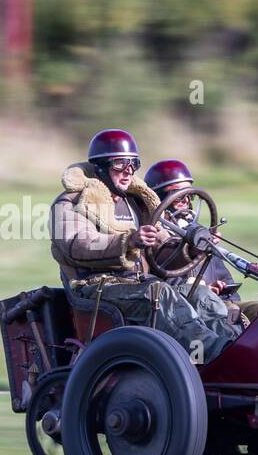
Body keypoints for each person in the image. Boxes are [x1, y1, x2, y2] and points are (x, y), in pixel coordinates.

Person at [49, 129, 237, 361]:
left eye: (134, 164)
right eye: (120, 164)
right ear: (100, 166)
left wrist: (193, 248)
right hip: (95, 288)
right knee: (160, 294)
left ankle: (236, 344)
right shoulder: (71, 202)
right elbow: (77, 245)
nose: (128, 171)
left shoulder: (137, 202)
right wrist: (128, 241)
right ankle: (216, 356)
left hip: (139, 285)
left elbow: (161, 249)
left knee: (199, 294)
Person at [144, 159, 258, 326]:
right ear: (159, 197)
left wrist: (221, 290)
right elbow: (161, 286)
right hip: (181, 310)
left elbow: (227, 286)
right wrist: (204, 290)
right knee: (223, 313)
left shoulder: (200, 234)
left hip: (217, 304)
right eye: (177, 195)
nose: (185, 200)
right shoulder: (152, 235)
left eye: (189, 195)